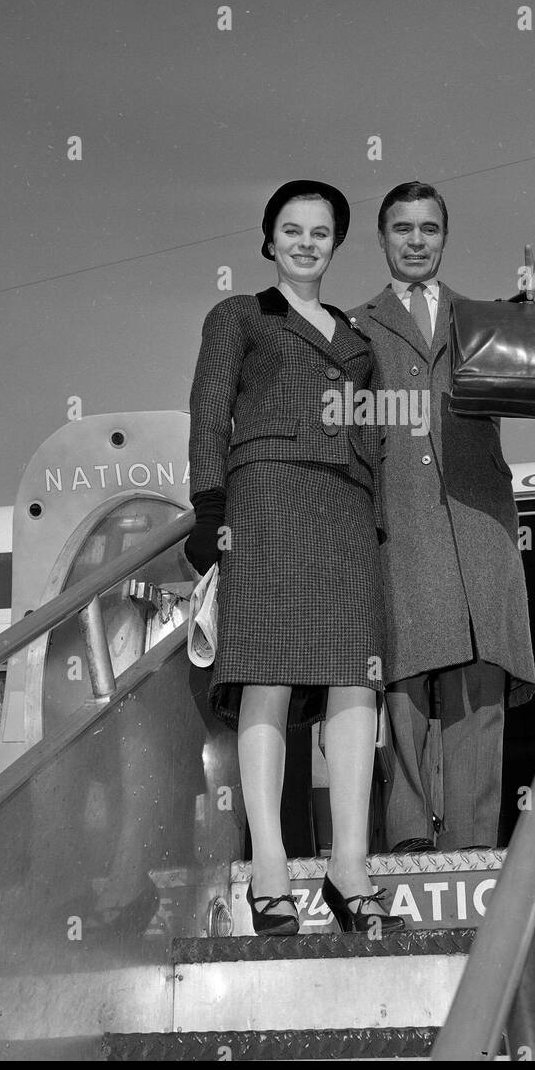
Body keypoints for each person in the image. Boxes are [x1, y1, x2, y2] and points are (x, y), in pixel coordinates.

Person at [184, 180, 403, 936]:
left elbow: (376, 430)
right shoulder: (240, 316)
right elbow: (210, 413)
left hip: (346, 506)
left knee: (354, 683)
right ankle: (270, 871)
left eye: (320, 232)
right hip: (268, 499)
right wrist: (209, 511)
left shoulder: (358, 337)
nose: (306, 242)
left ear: (334, 244)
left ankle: (349, 868)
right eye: (292, 229)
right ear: (269, 241)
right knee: (266, 674)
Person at [348, 181, 535, 854]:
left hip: (476, 523)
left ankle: (471, 843)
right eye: (402, 228)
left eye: (428, 229)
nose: (415, 241)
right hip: (397, 523)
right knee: (402, 683)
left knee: (478, 682)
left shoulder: (485, 318)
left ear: (444, 237)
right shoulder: (350, 328)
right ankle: (408, 840)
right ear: (381, 238)